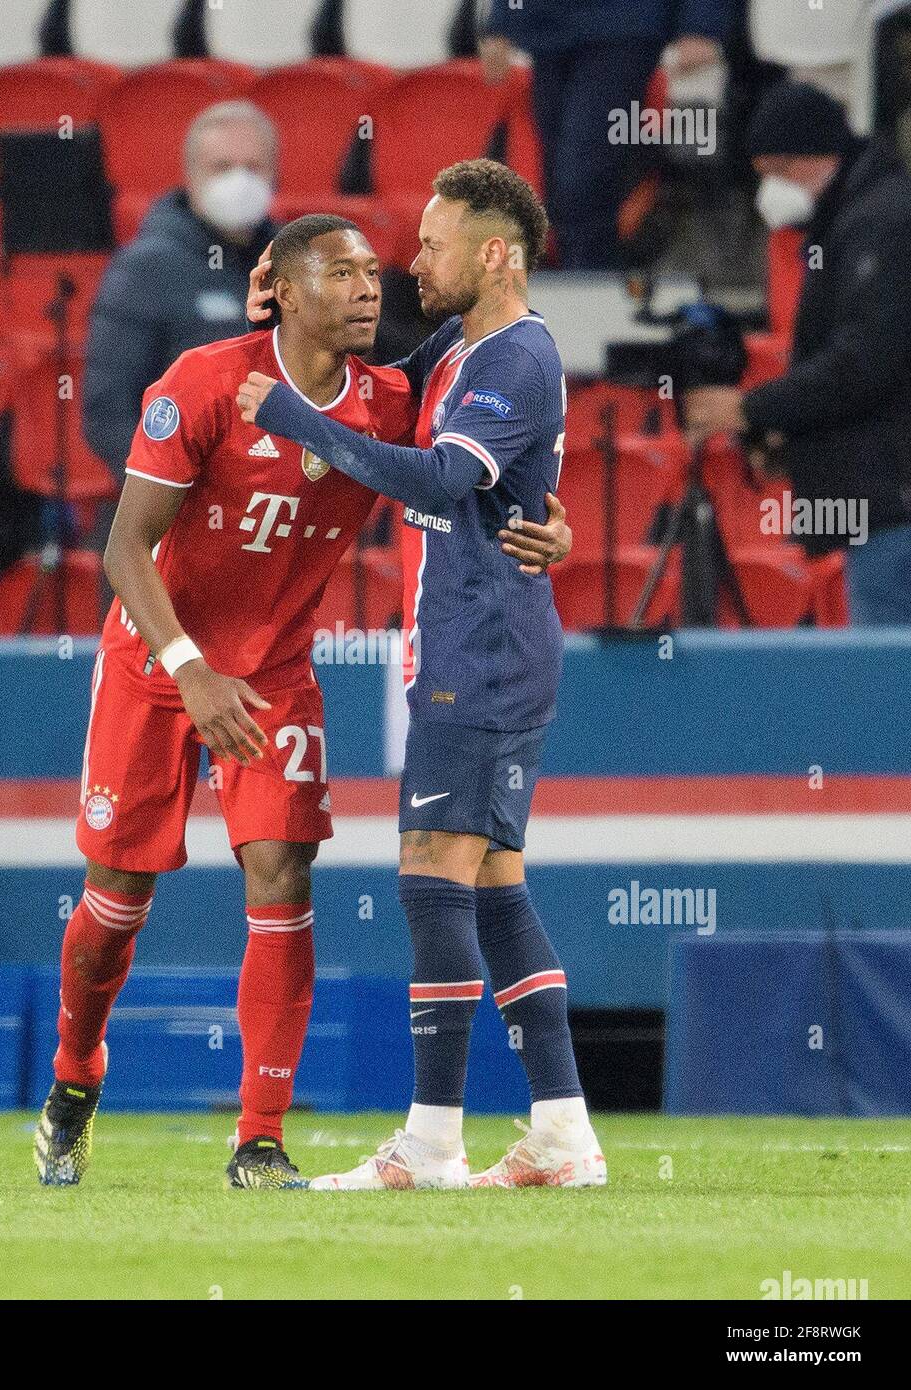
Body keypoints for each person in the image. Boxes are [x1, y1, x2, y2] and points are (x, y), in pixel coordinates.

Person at [34, 213, 571, 1192]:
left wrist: (554, 524)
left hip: (275, 675)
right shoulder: (202, 383)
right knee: (116, 903)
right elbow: (123, 551)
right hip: (160, 665)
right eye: (340, 271)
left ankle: (258, 1138)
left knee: (281, 880)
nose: (367, 287)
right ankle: (74, 1077)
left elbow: (468, 471)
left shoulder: (389, 399)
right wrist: (192, 667)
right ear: (276, 287)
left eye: (373, 271)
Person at [239, 160, 604, 1191]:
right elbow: (395, 398)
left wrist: (294, 419)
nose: (414, 260)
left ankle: (430, 1143)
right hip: (480, 645)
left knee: (428, 877)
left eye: (434, 243)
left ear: (494, 254)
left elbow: (443, 473)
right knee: (490, 884)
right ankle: (563, 1133)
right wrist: (278, 319)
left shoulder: (516, 359)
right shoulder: (462, 348)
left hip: (480, 654)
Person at [685, 81, 911, 624]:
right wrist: (786, 428)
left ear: (808, 158)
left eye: (774, 172)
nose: (771, 190)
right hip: (880, 493)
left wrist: (751, 408)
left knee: (887, 679)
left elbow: (864, 361)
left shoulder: (879, 222)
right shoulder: (853, 216)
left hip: (892, 497)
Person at [82, 101, 282, 477]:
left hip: (272, 495)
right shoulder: (145, 269)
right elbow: (108, 410)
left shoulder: (292, 262)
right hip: (176, 495)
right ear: (191, 176)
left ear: (274, 176)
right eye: (222, 167)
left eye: (253, 167)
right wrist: (168, 486)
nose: (239, 180)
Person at [480, 0, 729, 269]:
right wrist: (501, 20)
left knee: (582, 178)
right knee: (558, 184)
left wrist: (702, 22)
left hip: (622, 27)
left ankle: (589, 285)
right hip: (548, 30)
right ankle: (582, 284)